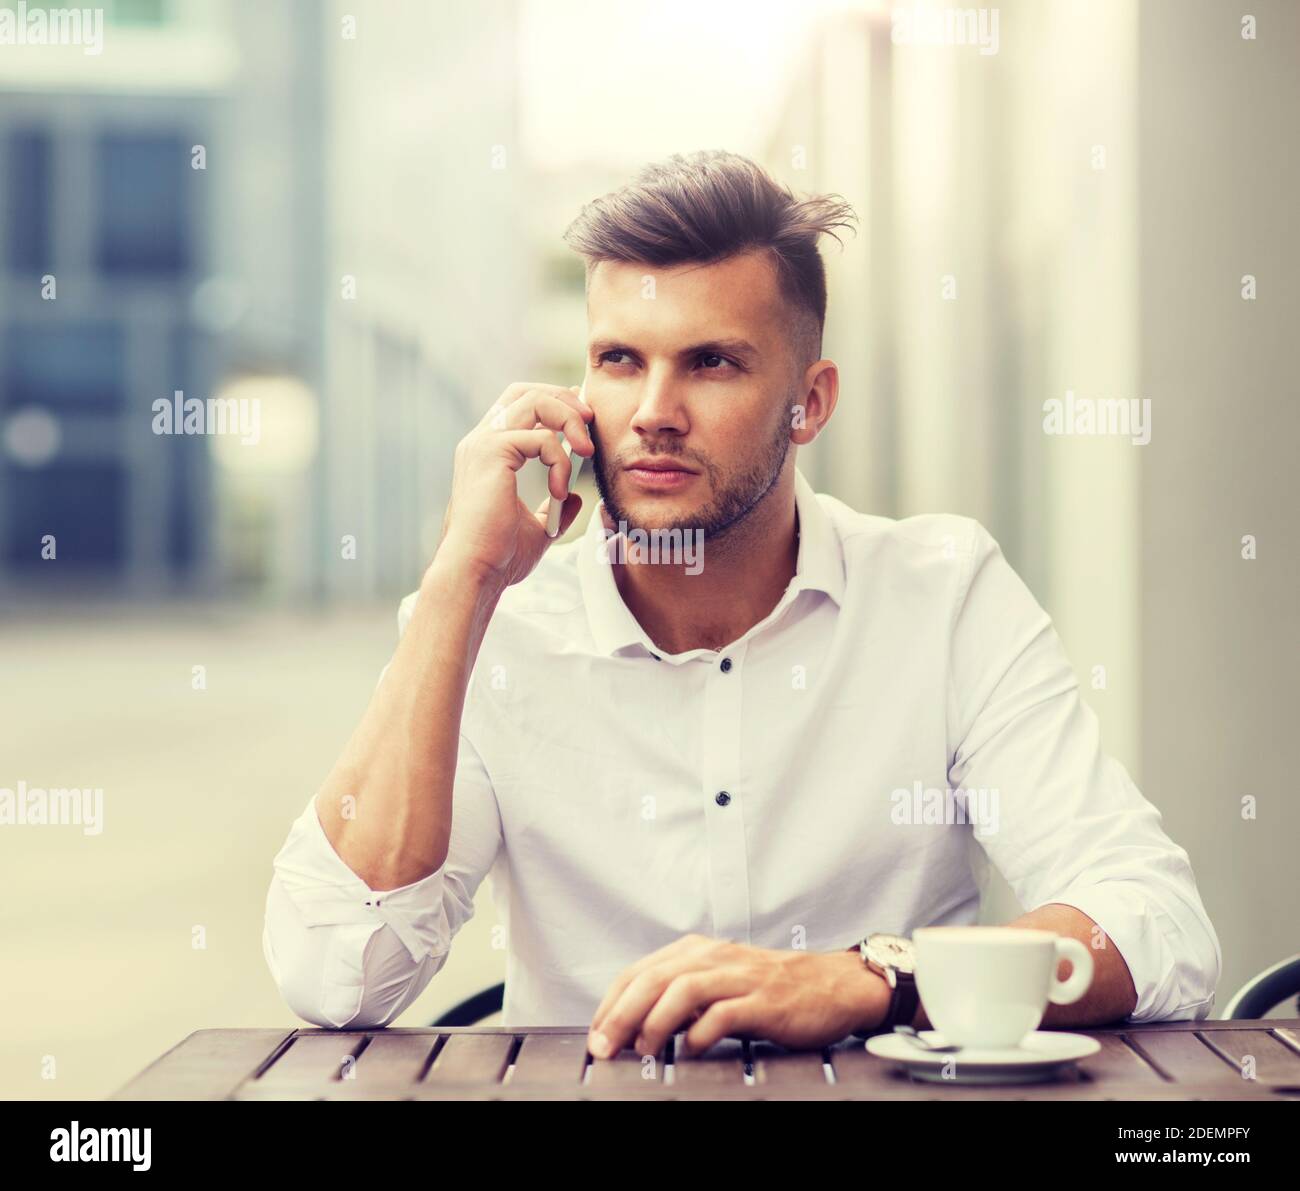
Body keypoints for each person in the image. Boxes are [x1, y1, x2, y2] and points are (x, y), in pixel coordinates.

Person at [262, 150, 1220, 1060]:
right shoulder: (497, 626)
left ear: (810, 401)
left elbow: (1156, 922)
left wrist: (872, 979)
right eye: (621, 360)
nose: (654, 411)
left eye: (712, 362)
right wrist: (457, 585)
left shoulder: (943, 593)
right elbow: (337, 974)